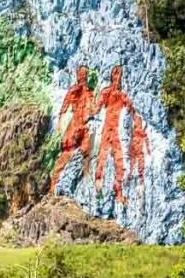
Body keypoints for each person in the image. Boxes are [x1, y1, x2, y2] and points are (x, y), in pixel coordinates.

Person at [49, 66, 96, 194]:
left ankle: (85, 184)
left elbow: (93, 110)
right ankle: (54, 188)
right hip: (75, 125)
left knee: (86, 155)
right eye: (81, 74)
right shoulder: (75, 91)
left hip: (84, 126)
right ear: (77, 76)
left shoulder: (89, 93)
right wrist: (59, 122)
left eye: (84, 75)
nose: (82, 77)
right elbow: (64, 108)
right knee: (67, 153)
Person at [94, 65, 135, 205]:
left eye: (119, 75)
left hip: (116, 132)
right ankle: (98, 187)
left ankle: (119, 192)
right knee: (102, 158)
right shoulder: (106, 93)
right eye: (115, 75)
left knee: (119, 161)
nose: (117, 78)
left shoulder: (122, 95)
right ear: (111, 77)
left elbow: (131, 109)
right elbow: (96, 107)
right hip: (107, 130)